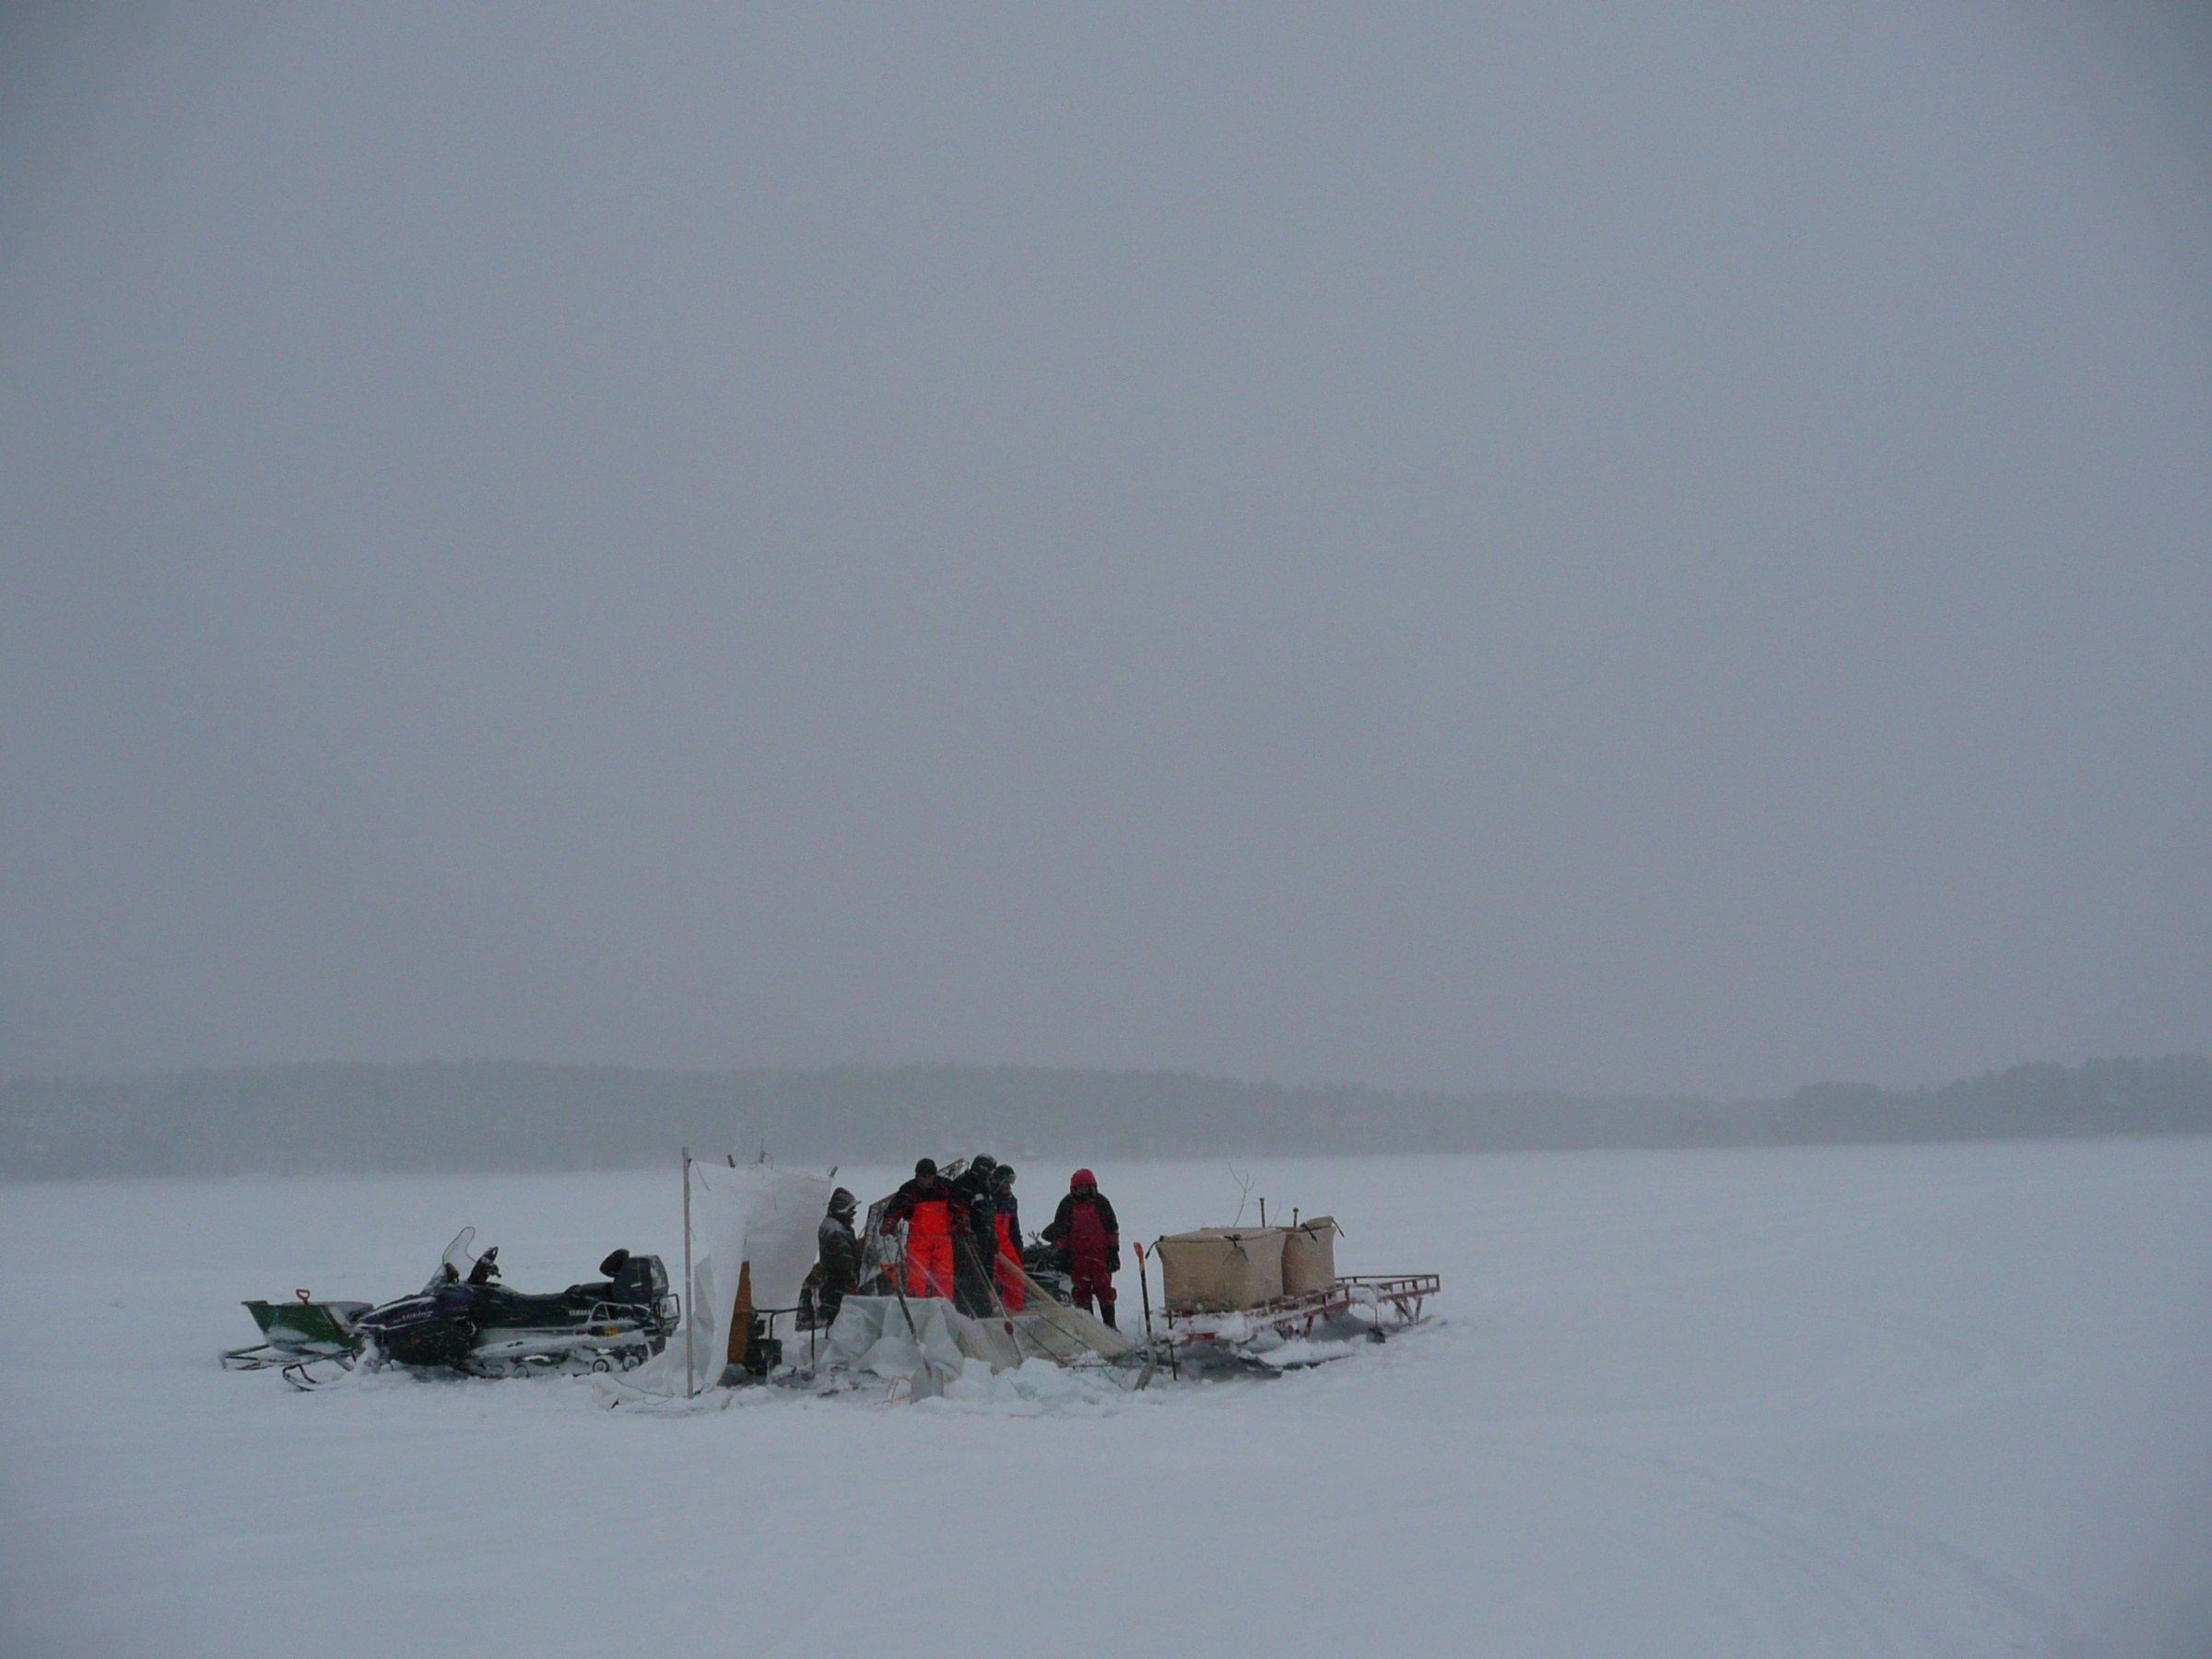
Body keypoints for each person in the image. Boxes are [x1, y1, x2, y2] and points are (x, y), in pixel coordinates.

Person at [1042, 1168, 1120, 1327]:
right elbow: (1061, 1232)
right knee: (1081, 1294)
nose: (1082, 1191)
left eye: (1085, 1187)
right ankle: (1089, 1328)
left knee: (1104, 1290)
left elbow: (1112, 1228)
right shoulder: (1067, 1204)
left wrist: (1113, 1252)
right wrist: (1062, 1255)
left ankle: (1110, 1326)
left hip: (1100, 1256)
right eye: (1079, 1188)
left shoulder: (1101, 1203)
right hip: (1077, 1258)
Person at [881, 1158, 966, 1300]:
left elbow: (959, 1206)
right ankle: (916, 1311)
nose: (928, 1181)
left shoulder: (945, 1187)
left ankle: (943, 1312)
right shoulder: (908, 1190)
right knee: (916, 1280)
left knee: (944, 1280)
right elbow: (894, 1211)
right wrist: (889, 1223)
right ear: (917, 1176)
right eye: (924, 1178)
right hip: (918, 1243)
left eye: (931, 1177)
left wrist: (962, 1220)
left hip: (943, 1242)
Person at [949, 1154, 1002, 1316]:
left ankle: (983, 1309)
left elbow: (988, 1212)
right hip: (968, 1243)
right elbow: (958, 1212)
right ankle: (969, 1313)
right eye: (990, 1171)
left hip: (985, 1239)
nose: (992, 1175)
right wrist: (968, 1233)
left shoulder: (986, 1185)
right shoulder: (964, 1185)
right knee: (970, 1279)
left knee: (986, 1278)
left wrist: (992, 1235)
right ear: (983, 1169)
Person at [813, 1188, 861, 1325]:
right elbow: (844, 1260)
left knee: (836, 1320)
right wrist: (851, 1280)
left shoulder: (832, 1225)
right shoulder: (837, 1232)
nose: (853, 1214)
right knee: (840, 1322)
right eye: (851, 1210)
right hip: (838, 1285)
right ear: (843, 1210)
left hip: (831, 1283)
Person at [990, 1163, 1025, 1313]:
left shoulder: (1011, 1201)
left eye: (1011, 1182)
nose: (1009, 1186)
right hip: (989, 1244)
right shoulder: (988, 1198)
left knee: (1016, 1276)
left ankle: (1013, 1310)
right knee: (989, 1279)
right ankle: (988, 1311)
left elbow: (1014, 1228)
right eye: (1006, 1182)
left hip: (1006, 1244)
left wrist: (1018, 1248)